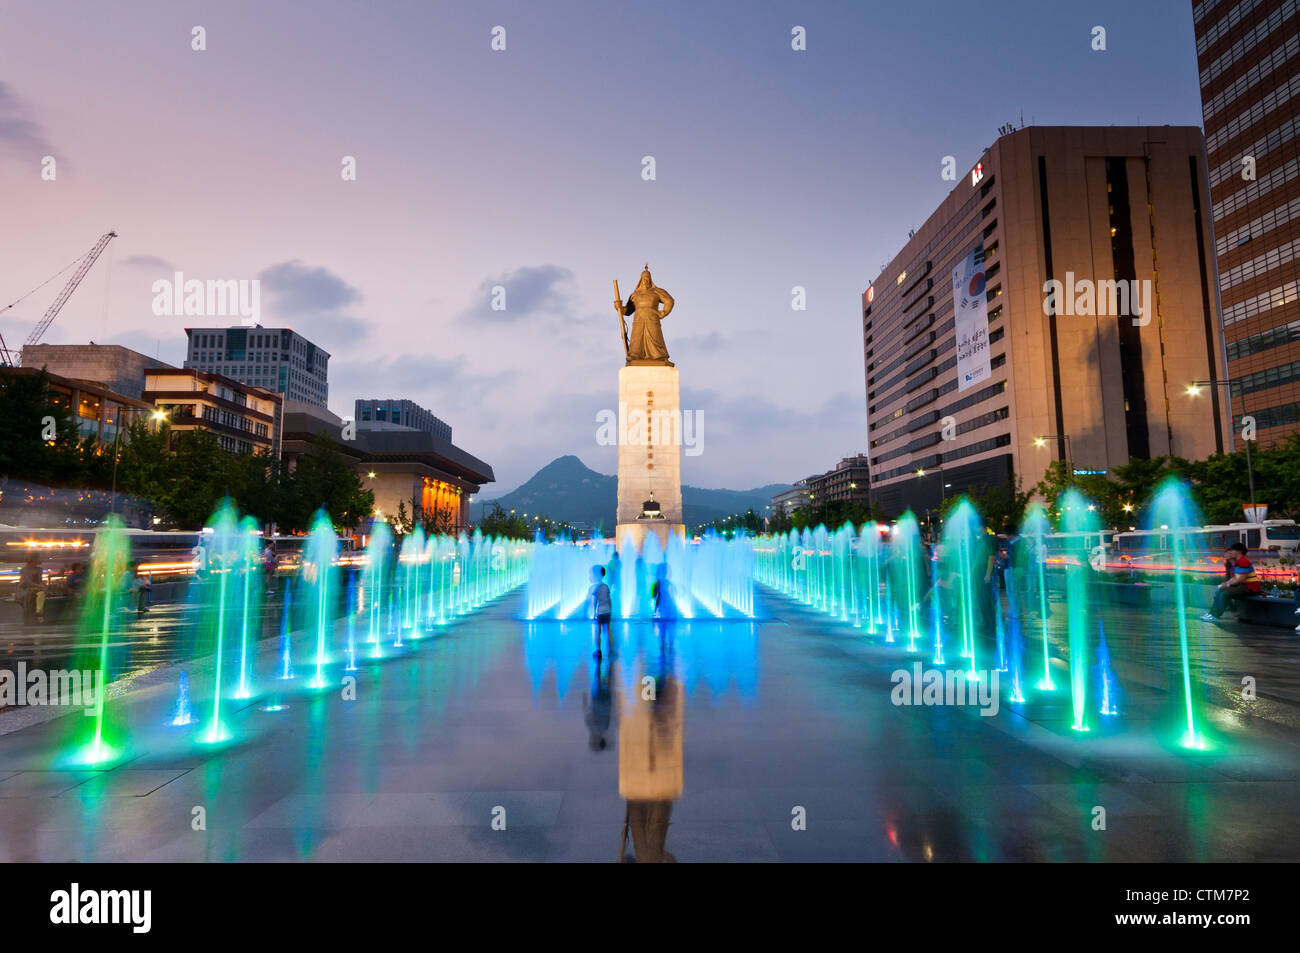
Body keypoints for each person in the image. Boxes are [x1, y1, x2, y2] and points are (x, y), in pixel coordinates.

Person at [1201, 542, 1260, 621]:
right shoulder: (1239, 562)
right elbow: (1235, 578)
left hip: (1249, 588)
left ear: (1238, 551)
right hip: (1243, 586)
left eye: (1232, 550)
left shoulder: (1244, 562)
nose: (1230, 552)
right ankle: (1212, 614)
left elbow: (1239, 579)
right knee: (1220, 591)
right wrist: (1225, 584)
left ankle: (1215, 615)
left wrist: (1227, 584)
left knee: (1225, 594)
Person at [589, 565, 613, 658]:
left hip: (600, 612)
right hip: (607, 611)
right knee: (607, 631)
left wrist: (594, 613)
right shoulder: (606, 587)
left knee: (598, 631)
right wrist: (610, 609)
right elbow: (609, 599)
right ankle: (610, 650)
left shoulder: (597, 587)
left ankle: (598, 651)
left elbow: (595, 601)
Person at [17, 553, 46, 624]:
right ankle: (35, 617)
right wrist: (40, 586)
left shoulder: (39, 569)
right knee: (30, 596)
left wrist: (43, 586)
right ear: (34, 560)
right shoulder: (24, 570)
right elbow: (28, 582)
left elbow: (40, 581)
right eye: (39, 558)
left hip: (37, 589)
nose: (41, 560)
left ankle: (38, 611)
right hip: (25, 589)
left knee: (41, 593)